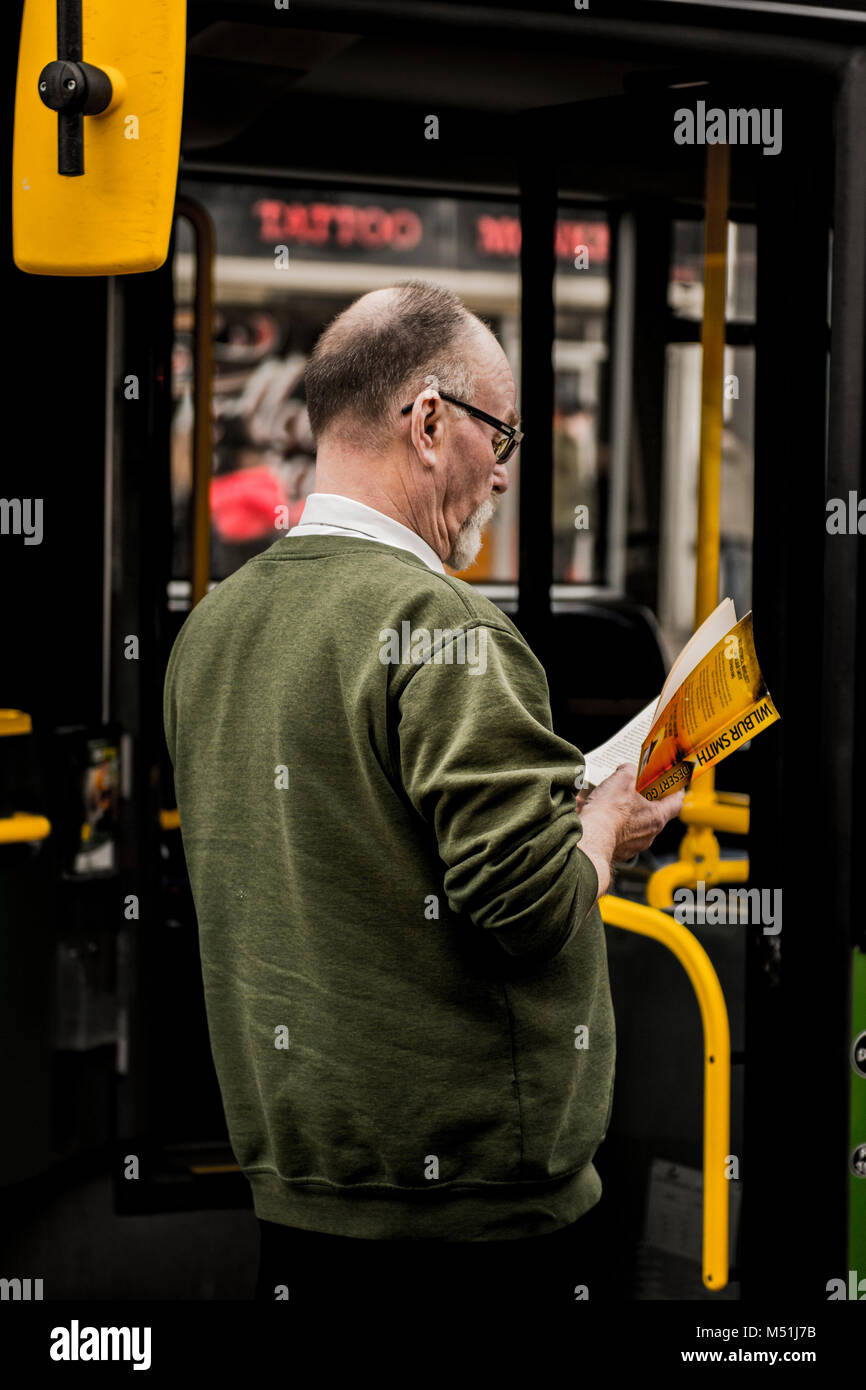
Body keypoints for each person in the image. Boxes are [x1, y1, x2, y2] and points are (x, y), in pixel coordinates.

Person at [162, 280, 683, 1313]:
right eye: (504, 435)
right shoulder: (448, 629)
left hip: (297, 1204)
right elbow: (529, 910)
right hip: (477, 1228)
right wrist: (604, 822)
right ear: (431, 421)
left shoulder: (212, 630)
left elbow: (349, 844)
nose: (503, 473)